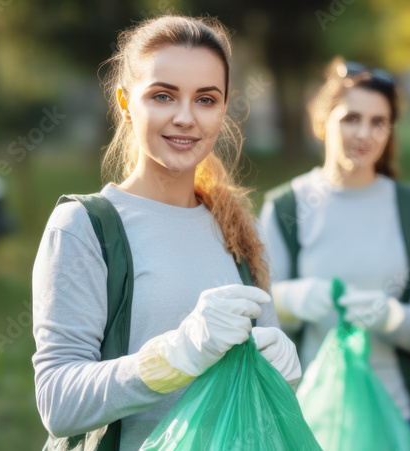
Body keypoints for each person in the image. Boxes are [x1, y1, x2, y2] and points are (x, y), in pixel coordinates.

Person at [31, 15, 300, 451]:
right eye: (163, 96)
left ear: (224, 108)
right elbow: (58, 403)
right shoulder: (85, 227)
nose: (185, 118)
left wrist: (282, 375)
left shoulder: (238, 228)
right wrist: (174, 357)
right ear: (124, 102)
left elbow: (263, 403)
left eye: (206, 99)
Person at [260, 57, 410, 437]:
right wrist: (291, 299)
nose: (364, 134)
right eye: (351, 119)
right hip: (311, 419)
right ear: (323, 120)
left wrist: (391, 317)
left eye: (378, 122)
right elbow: (260, 317)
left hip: (395, 417)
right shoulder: (286, 208)